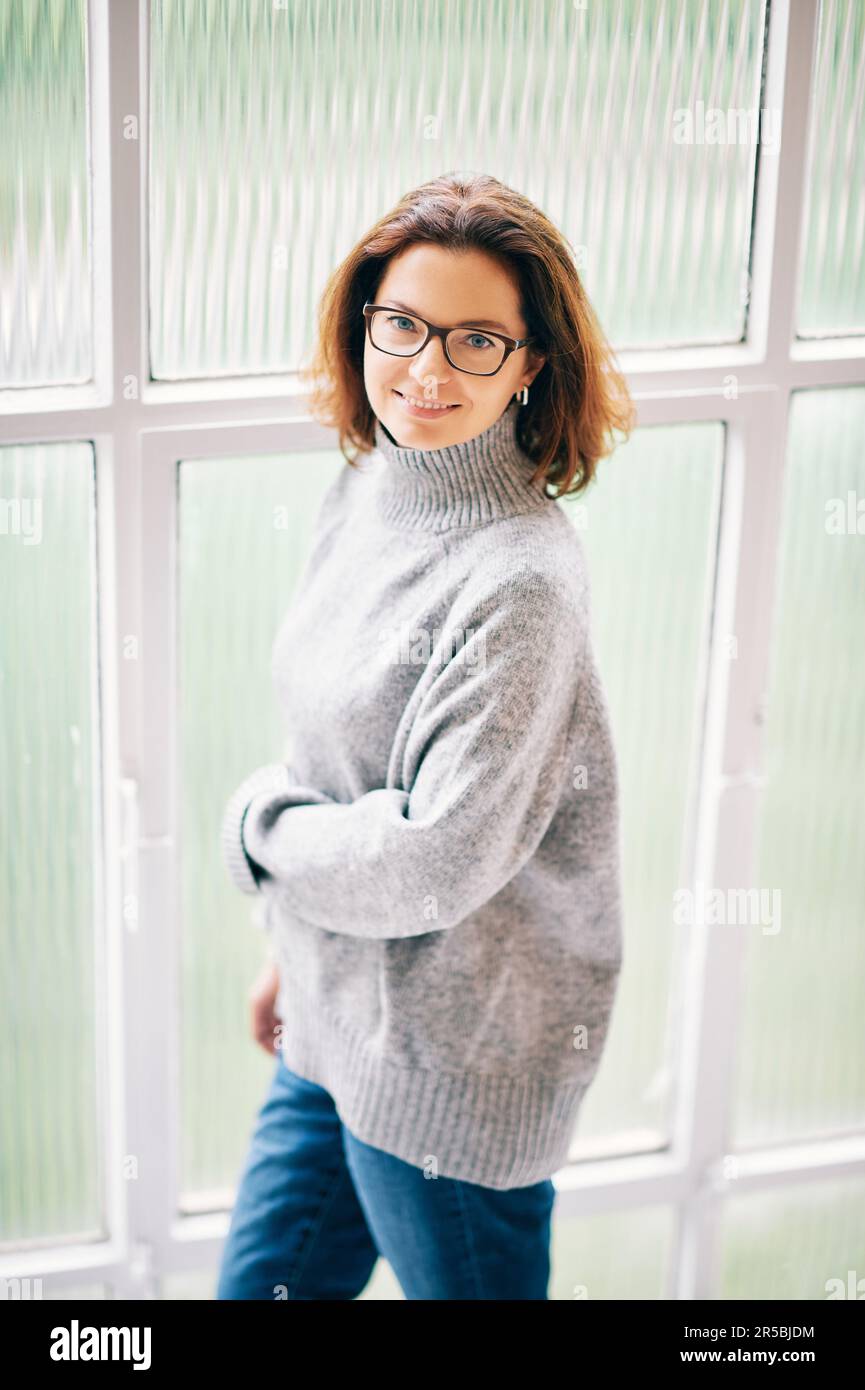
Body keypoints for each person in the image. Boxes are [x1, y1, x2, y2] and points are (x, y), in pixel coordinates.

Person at [215, 172, 635, 1301]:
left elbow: (429, 861)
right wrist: (287, 943)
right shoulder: (365, 487)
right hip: (333, 1011)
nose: (427, 369)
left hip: (456, 1070)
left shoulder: (521, 581)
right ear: (363, 322)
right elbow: (339, 769)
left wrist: (260, 832)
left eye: (477, 340)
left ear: (533, 362)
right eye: (401, 324)